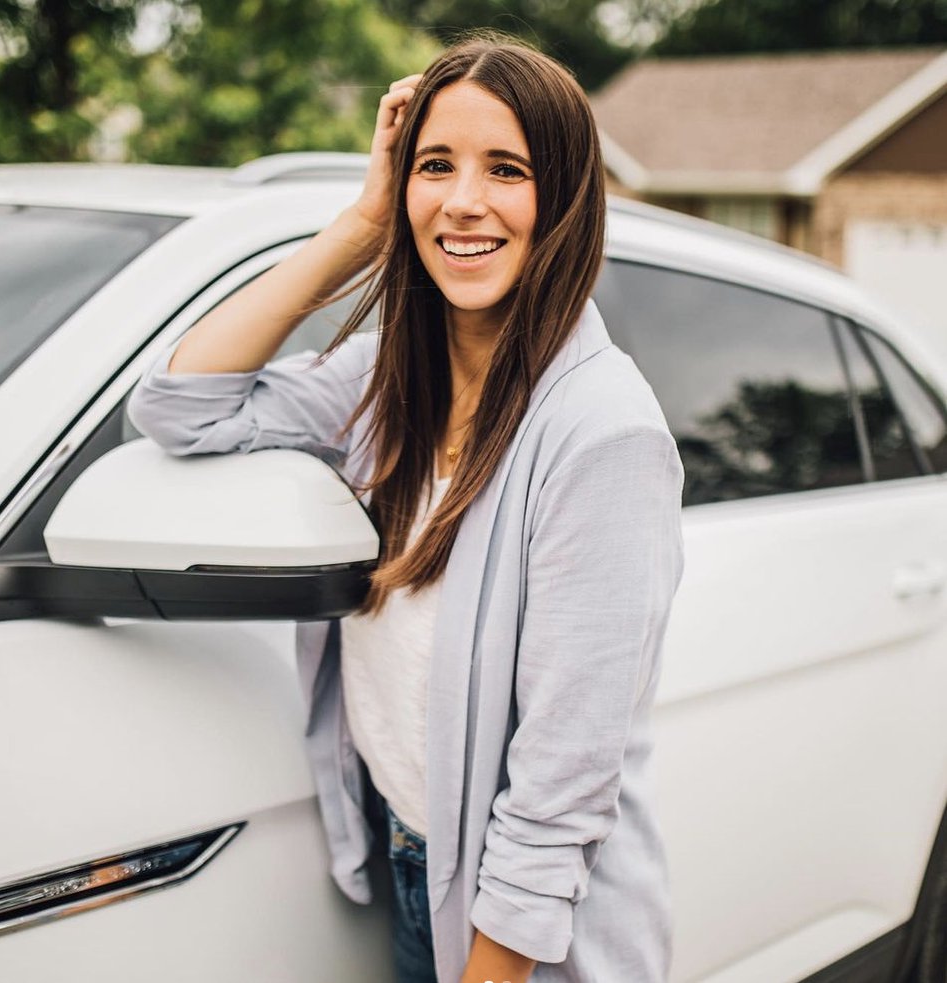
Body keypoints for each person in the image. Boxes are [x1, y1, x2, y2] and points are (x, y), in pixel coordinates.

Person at [129, 35, 684, 983]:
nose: (463, 200)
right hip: (415, 863)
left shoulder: (603, 433)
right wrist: (360, 224)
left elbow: (558, 791)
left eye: (505, 169)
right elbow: (178, 407)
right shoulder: (388, 379)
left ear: (563, 195)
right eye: (436, 165)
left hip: (528, 940)